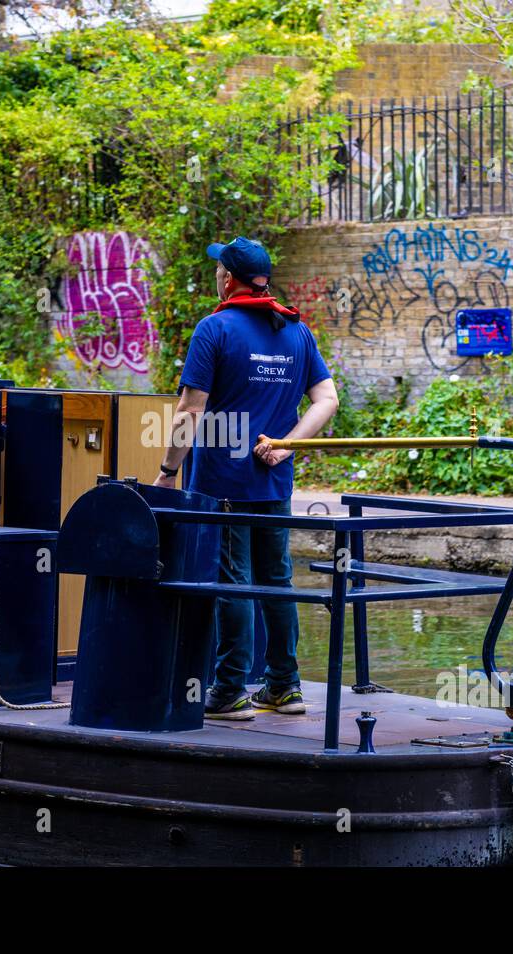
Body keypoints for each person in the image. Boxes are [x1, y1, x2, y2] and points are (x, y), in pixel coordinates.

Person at [154, 237, 339, 721]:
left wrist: (168, 471)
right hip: (273, 481)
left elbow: (190, 410)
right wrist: (286, 443)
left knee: (232, 582)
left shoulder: (214, 329)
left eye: (219, 268)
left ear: (228, 278)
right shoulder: (296, 331)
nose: (215, 273)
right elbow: (327, 400)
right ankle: (284, 686)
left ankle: (230, 691)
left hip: (222, 481)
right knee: (276, 580)